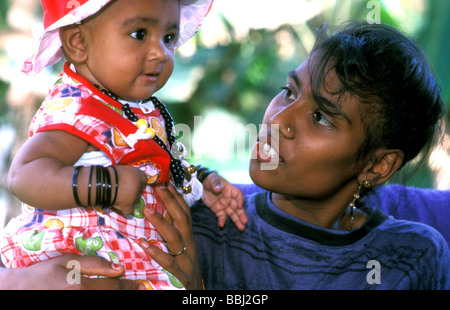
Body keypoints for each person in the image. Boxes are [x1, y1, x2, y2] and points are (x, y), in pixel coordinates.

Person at [0, 0, 243, 290]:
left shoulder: (134, 106)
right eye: (140, 34)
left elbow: (157, 166)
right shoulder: (77, 109)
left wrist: (200, 182)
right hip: (84, 255)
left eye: (168, 38)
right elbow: (24, 174)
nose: (160, 53)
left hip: (133, 260)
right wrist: (108, 186)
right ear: (78, 42)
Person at [191, 22, 450, 289]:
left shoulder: (409, 260)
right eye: (289, 91)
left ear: (376, 165)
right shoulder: (206, 223)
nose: (278, 120)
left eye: (321, 118)